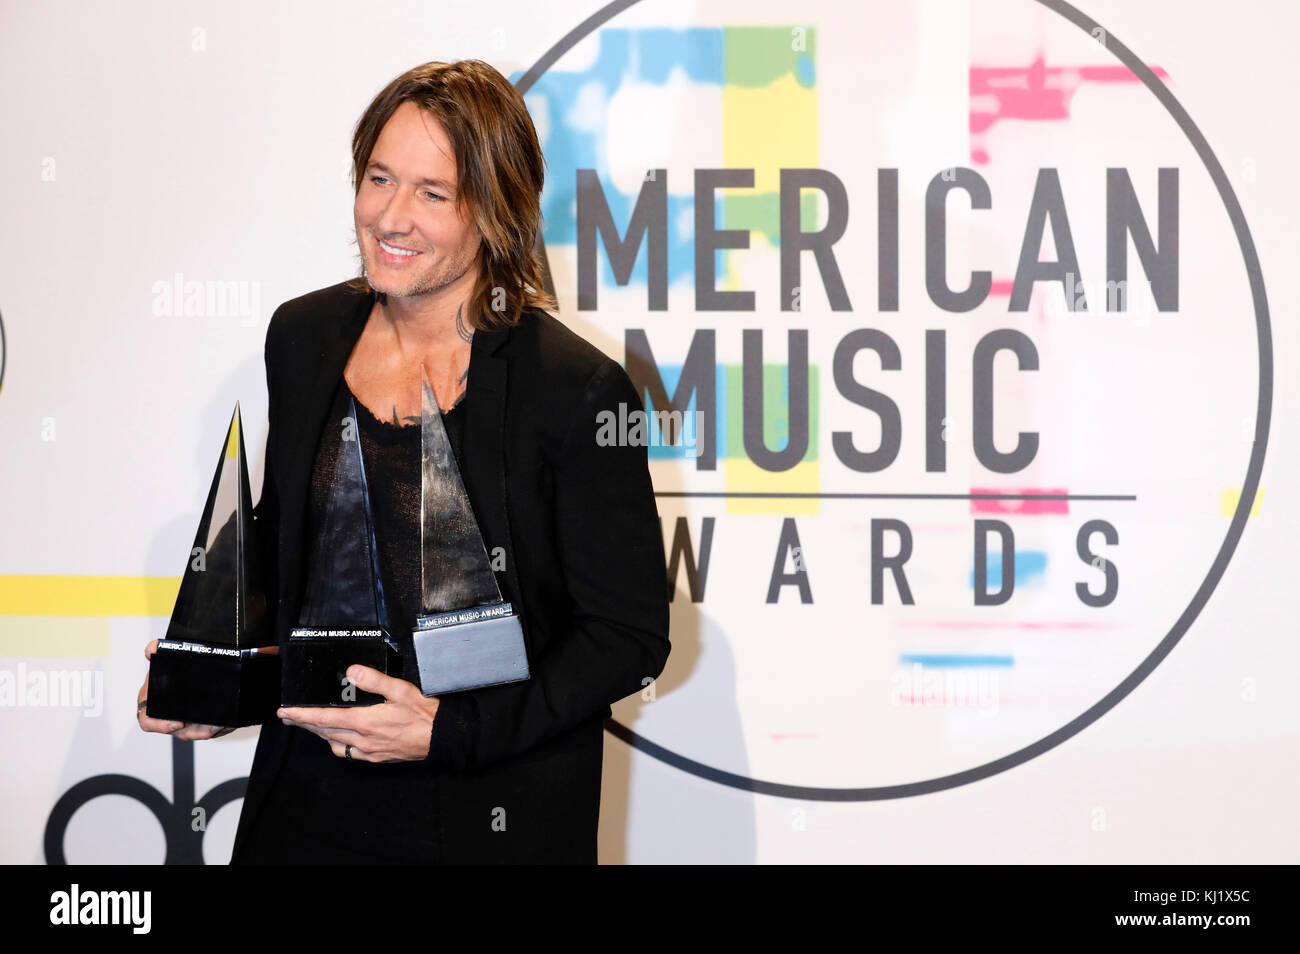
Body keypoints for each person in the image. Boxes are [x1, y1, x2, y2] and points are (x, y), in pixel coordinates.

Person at [136, 59, 671, 864]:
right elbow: (299, 559)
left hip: (488, 811)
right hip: (306, 806)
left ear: (495, 212)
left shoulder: (575, 388)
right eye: (379, 178)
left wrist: (448, 731)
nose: (390, 216)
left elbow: (627, 635)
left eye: (433, 192)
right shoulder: (305, 336)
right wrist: (230, 681)